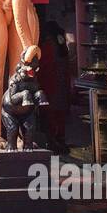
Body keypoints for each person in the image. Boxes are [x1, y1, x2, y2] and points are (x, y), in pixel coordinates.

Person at [37, 20, 72, 150]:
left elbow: (44, 67)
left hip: (50, 84)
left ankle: (52, 142)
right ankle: (60, 140)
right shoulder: (61, 45)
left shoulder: (48, 46)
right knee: (60, 114)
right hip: (62, 83)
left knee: (50, 114)